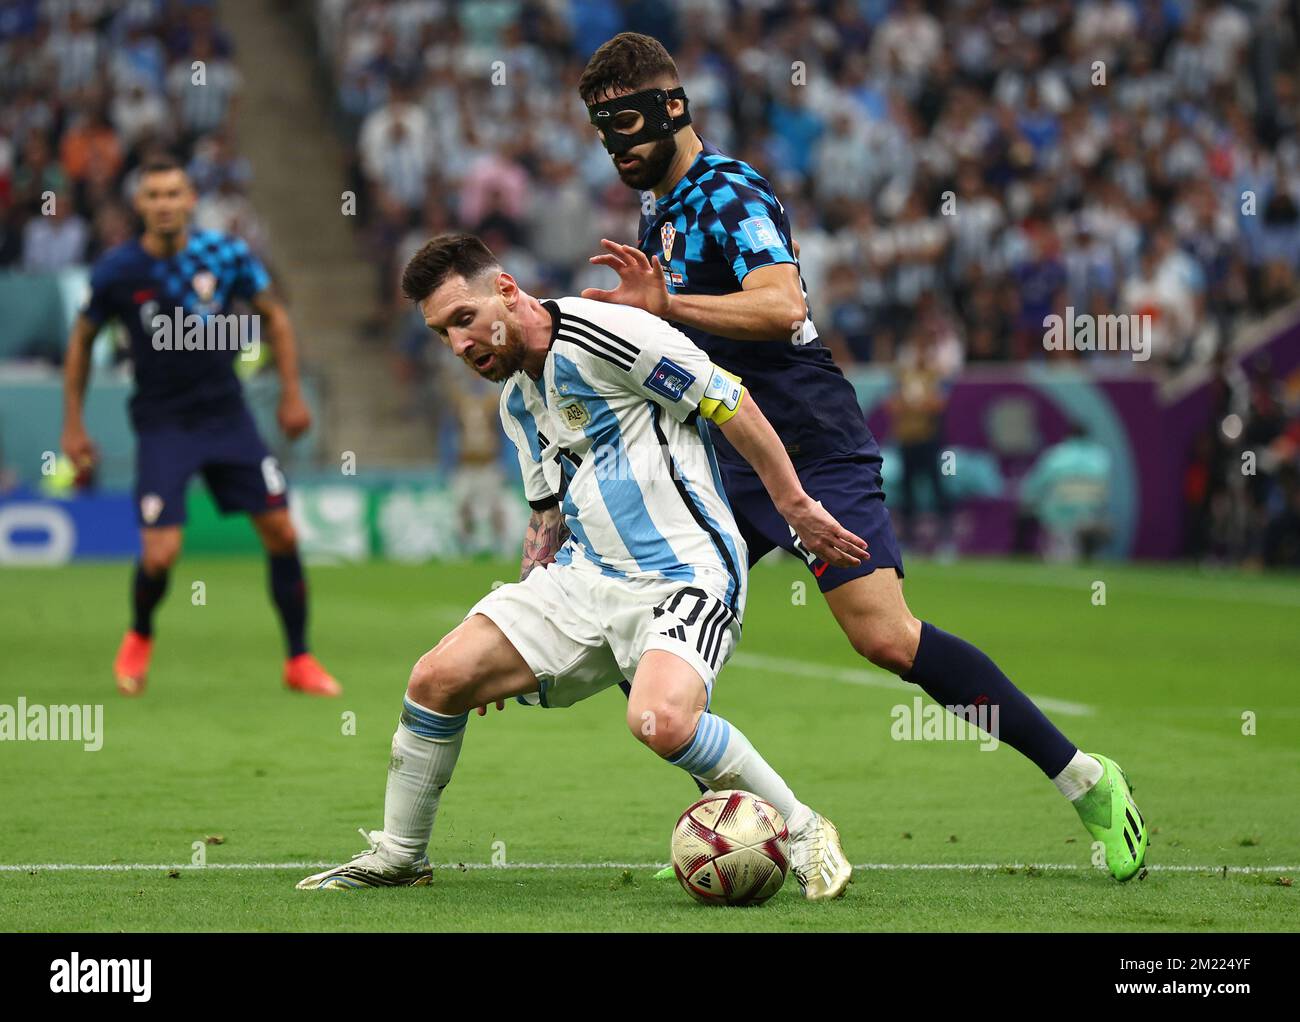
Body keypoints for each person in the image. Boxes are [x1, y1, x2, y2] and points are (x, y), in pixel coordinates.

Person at [574, 33, 1147, 881]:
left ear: (672, 108)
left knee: (885, 639)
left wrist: (669, 304)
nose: (616, 146)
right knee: (651, 647)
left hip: (806, 437)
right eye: (601, 131)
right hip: (729, 449)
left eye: (626, 124)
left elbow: (781, 304)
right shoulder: (657, 214)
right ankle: (744, 824)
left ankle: (1087, 781)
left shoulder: (729, 191)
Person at [297, 233, 863, 898]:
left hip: (684, 574)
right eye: (442, 333)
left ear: (506, 290)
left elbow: (726, 398)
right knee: (438, 677)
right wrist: (513, 630)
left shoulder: (609, 334)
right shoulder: (516, 401)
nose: (459, 346)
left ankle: (802, 830)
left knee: (662, 722)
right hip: (586, 580)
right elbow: (547, 516)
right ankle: (400, 855)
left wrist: (794, 503)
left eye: (464, 320)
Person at [60, 154, 339, 698]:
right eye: (153, 195)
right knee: (161, 553)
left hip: (228, 416)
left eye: (174, 194)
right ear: (139, 204)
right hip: (164, 423)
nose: (164, 204)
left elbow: (274, 315)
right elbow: (82, 340)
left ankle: (299, 659)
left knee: (281, 531)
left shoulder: (225, 254)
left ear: (190, 200)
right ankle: (139, 636)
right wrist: (73, 425)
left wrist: (290, 392)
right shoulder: (118, 270)